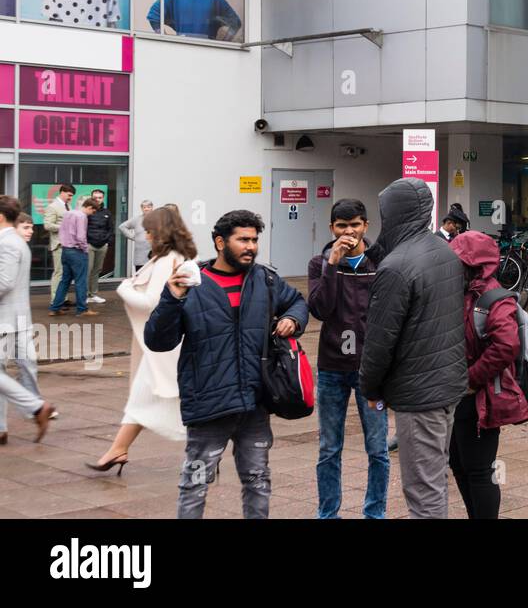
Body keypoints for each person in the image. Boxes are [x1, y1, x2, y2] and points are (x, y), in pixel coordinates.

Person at [144, 210, 308, 519]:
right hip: (209, 405)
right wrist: (171, 298)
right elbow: (157, 340)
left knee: (258, 480)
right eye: (242, 240)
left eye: (254, 240)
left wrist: (292, 318)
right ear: (220, 242)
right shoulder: (193, 282)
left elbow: (298, 301)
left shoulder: (266, 279)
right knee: (194, 483)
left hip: (255, 402)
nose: (251, 247)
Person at [360, 179, 466, 520]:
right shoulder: (444, 252)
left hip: (418, 393)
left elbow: (379, 340)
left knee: (422, 490)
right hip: (447, 384)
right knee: (435, 477)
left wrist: (370, 387)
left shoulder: (396, 268)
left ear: (393, 213)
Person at [89, 206, 191, 474]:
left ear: (160, 232)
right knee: (151, 399)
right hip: (164, 344)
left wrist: (123, 288)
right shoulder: (174, 257)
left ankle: (118, 450)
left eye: (149, 231)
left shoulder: (169, 259)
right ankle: (118, 450)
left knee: (144, 398)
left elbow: (152, 302)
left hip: (164, 346)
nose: (145, 236)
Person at [307, 198, 388, 519]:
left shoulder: (381, 262)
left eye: (355, 224)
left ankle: (375, 513)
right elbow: (320, 309)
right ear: (332, 228)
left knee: (378, 449)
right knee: (329, 448)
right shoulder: (320, 263)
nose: (349, 232)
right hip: (331, 368)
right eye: (342, 226)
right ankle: (328, 514)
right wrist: (332, 265)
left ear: (366, 226)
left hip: (372, 371)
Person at [448, 230, 528, 519]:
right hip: (461, 393)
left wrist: (472, 378)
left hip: (480, 394)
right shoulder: (463, 292)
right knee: (459, 463)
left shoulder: (493, 298)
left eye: (456, 260)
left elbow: (507, 345)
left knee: (481, 469)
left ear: (471, 263)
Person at [0, 199, 55, 445]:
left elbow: (4, 283)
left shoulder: (7, 243)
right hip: (16, 319)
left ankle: (35, 406)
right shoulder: (16, 242)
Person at [49, 197, 95, 316]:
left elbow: (62, 231)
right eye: (93, 211)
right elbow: (80, 237)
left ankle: (55, 308)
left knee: (64, 280)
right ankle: (82, 309)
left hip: (65, 250)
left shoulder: (68, 214)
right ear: (89, 207)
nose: (92, 214)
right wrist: (85, 249)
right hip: (77, 251)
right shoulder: (81, 216)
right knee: (81, 281)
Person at [43, 184, 74, 302]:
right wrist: (64, 226)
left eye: (72, 196)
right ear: (62, 192)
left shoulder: (69, 206)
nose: (70, 197)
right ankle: (56, 300)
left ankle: (63, 298)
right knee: (59, 272)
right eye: (69, 195)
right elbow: (48, 225)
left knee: (66, 273)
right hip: (59, 244)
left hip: (69, 244)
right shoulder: (53, 206)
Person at [85, 188, 113, 305]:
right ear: (91, 198)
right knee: (87, 270)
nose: (97, 200)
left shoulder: (107, 212)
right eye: (95, 198)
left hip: (102, 245)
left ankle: (94, 294)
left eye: (100, 198)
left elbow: (110, 228)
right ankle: (85, 295)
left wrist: (107, 242)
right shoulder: (87, 212)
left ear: (103, 199)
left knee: (97, 270)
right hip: (89, 245)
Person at [118, 200, 154, 275]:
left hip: (154, 253)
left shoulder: (158, 219)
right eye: (144, 207)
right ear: (141, 208)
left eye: (148, 207)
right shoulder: (137, 219)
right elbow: (122, 227)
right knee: (140, 277)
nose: (146, 209)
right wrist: (133, 237)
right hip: (140, 254)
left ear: (152, 207)